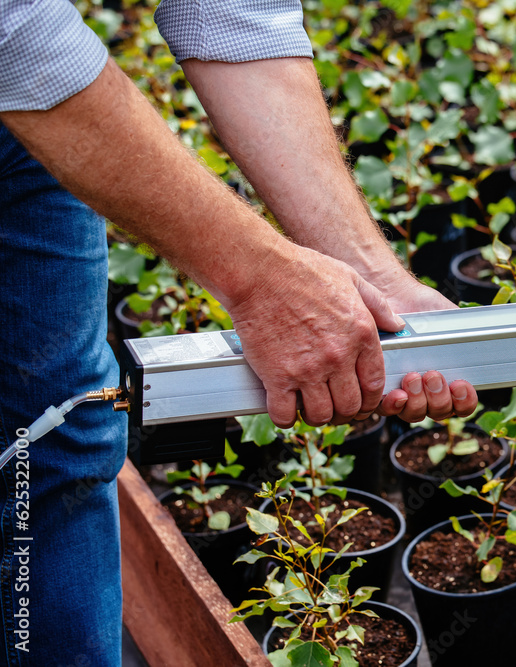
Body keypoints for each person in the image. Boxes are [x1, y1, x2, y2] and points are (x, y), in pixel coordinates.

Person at [0, 1, 478, 663]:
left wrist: (375, 279)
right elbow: (18, 38)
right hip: (20, 51)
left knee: (55, 442)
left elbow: (232, 15)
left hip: (23, 119)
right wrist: (262, 280)